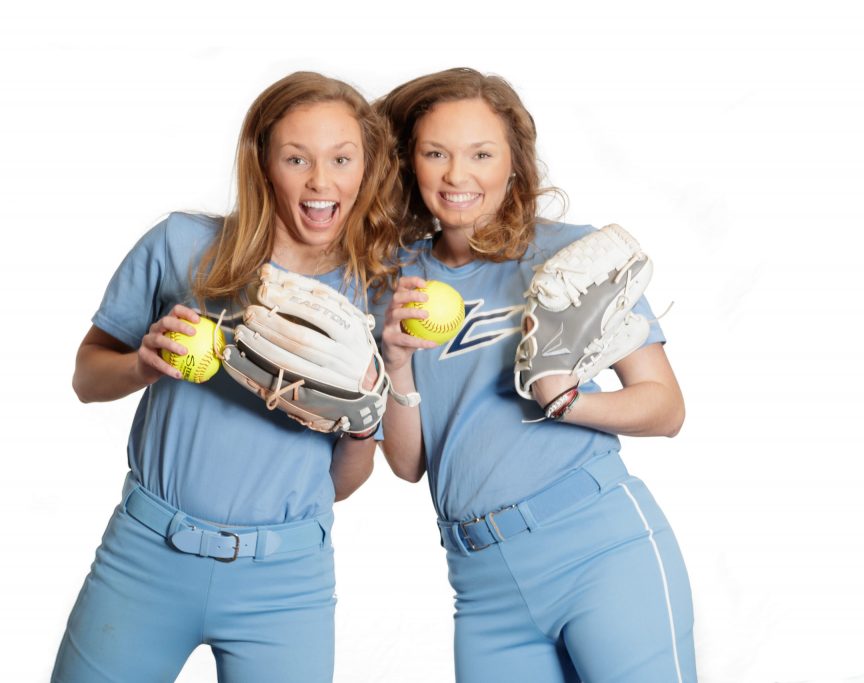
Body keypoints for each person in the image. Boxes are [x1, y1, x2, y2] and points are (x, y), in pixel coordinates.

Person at [51, 71, 400, 683]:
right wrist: (140, 363)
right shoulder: (183, 245)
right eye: (297, 158)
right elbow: (86, 377)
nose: (321, 181)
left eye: (342, 159)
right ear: (264, 164)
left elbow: (343, 485)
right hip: (146, 554)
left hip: (285, 580)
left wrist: (363, 411)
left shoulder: (375, 292)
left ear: (365, 168)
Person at [375, 67, 697, 682]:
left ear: (514, 163)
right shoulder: (397, 283)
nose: (457, 175)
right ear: (410, 163)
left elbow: (665, 407)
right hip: (482, 583)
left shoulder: (572, 257)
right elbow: (408, 463)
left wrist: (569, 402)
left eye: (481, 153)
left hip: (601, 549)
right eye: (435, 153)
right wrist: (395, 364)